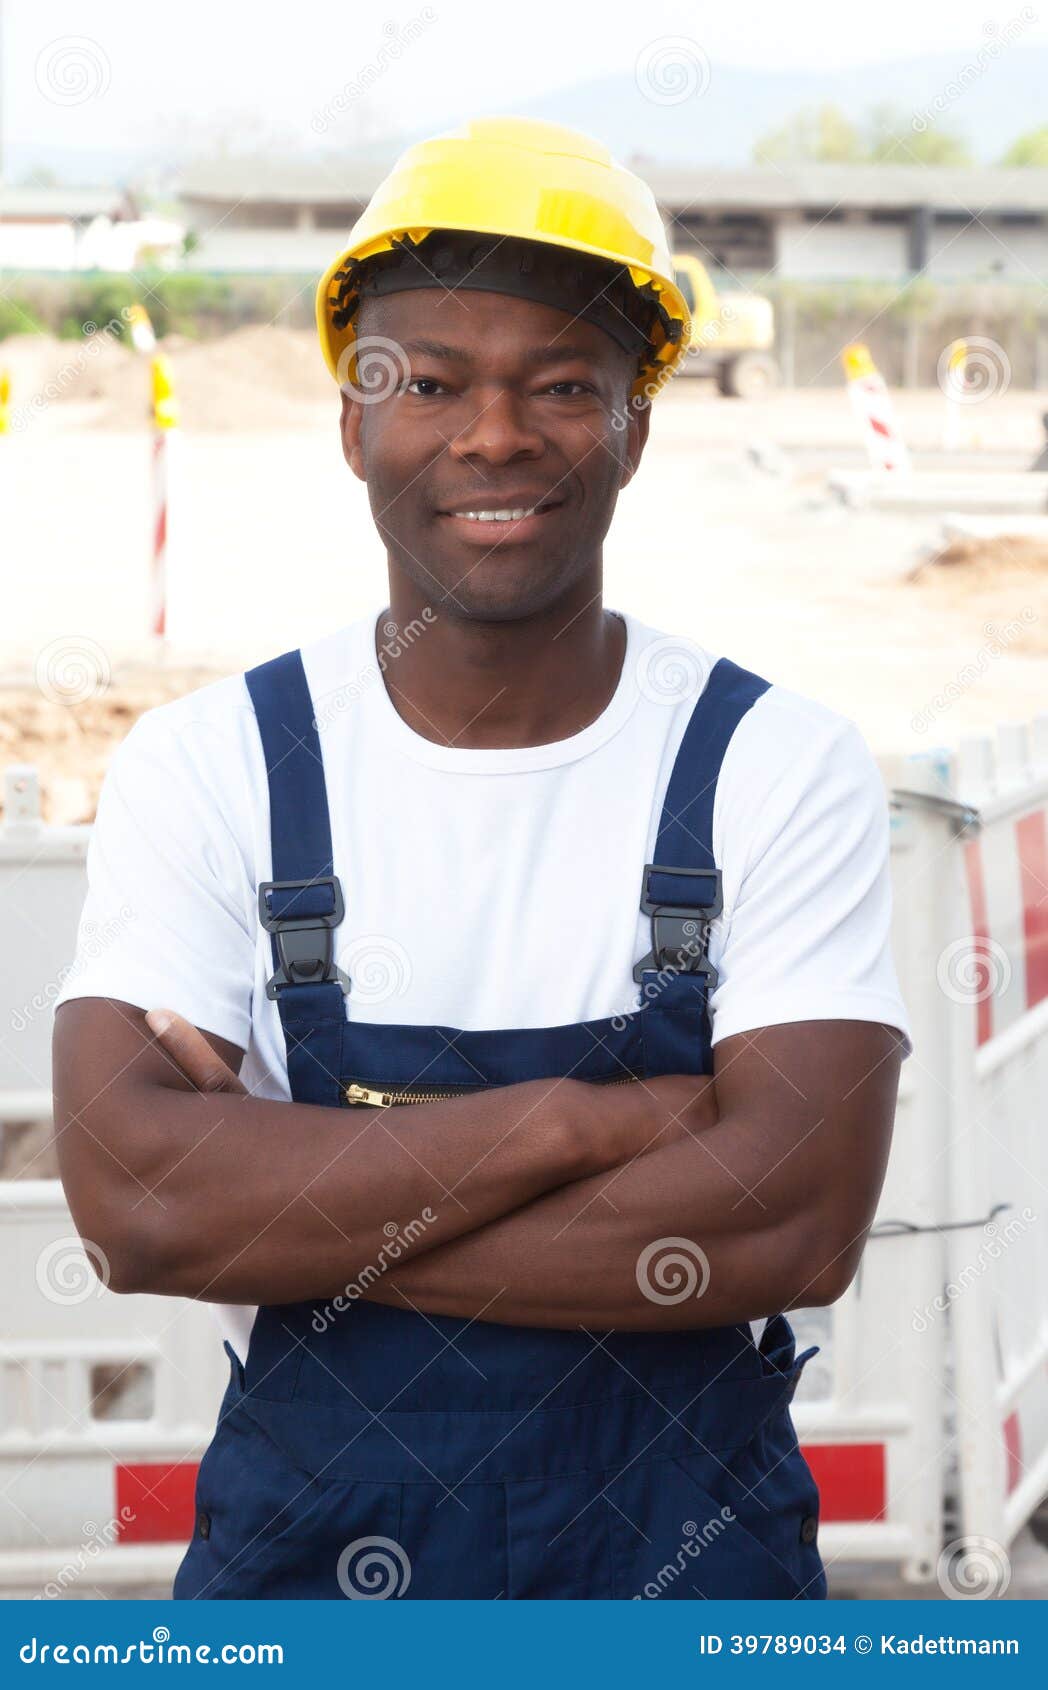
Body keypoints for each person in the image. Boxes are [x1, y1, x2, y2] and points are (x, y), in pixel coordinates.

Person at [52, 116, 912, 1601]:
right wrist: (588, 1128)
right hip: (309, 1581)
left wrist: (283, 1220)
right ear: (352, 424)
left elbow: (791, 1215)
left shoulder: (777, 763)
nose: (494, 435)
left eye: (563, 385)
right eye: (430, 384)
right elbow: (135, 1210)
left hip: (682, 1569)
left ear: (640, 420)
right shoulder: (215, 767)